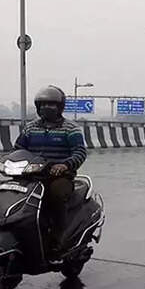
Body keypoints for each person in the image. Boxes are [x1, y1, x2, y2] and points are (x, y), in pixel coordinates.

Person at [13, 85, 88, 255]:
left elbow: (80, 152)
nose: (47, 107)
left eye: (52, 104)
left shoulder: (70, 128)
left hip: (59, 177)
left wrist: (65, 165)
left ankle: (58, 238)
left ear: (59, 107)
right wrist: (7, 162)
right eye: (43, 104)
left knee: (56, 195)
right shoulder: (30, 128)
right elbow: (18, 148)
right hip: (31, 175)